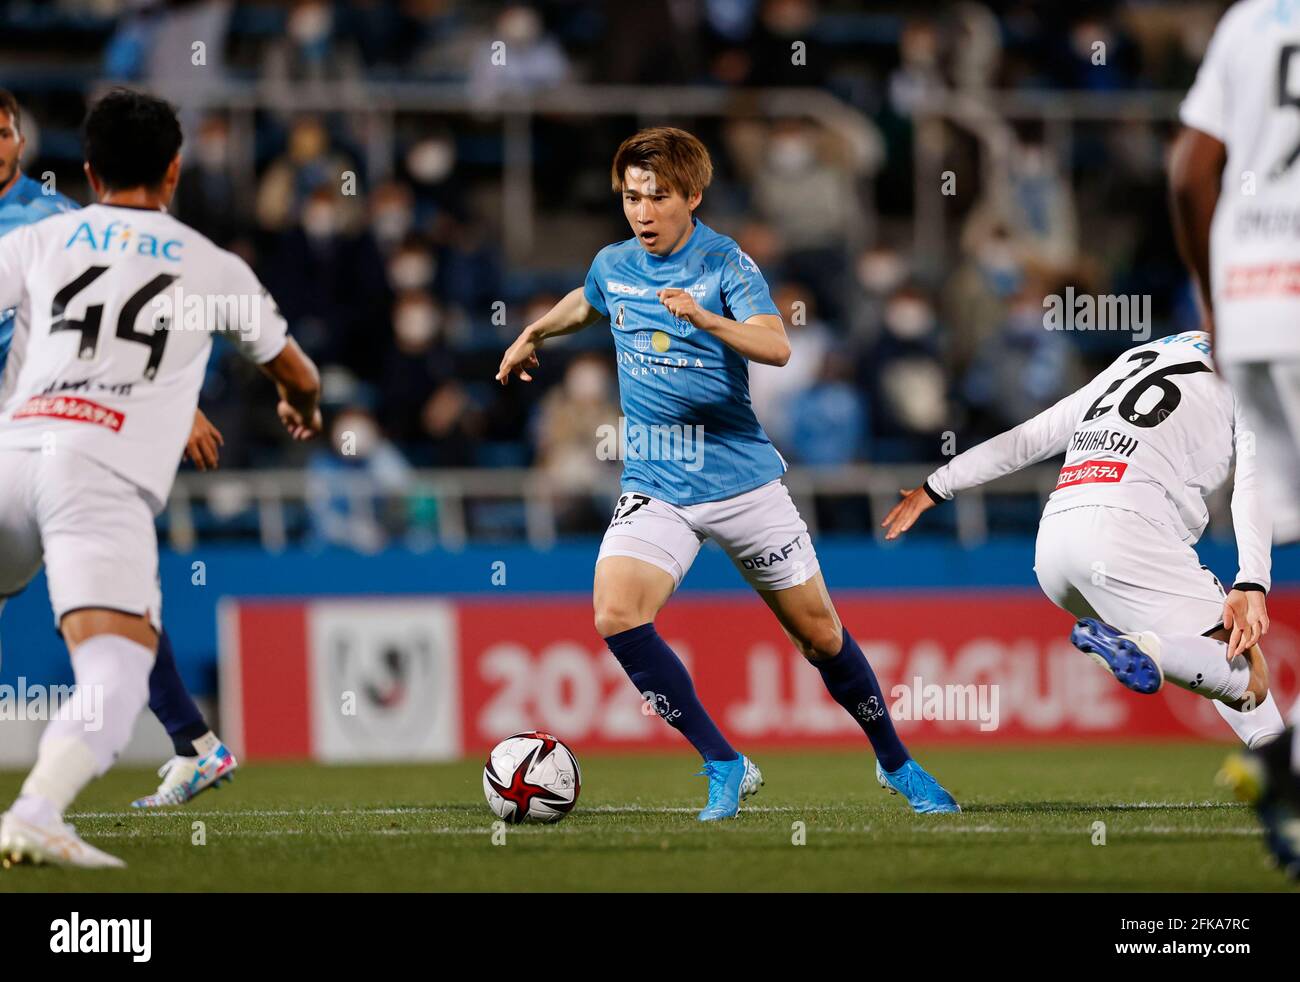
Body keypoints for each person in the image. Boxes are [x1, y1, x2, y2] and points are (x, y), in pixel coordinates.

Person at [498, 127, 958, 820]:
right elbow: (589, 299)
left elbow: (775, 345)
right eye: (630, 197)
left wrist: (707, 319)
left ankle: (895, 762)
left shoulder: (727, 264)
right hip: (657, 484)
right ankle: (723, 761)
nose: (642, 212)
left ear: (693, 196)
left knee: (820, 637)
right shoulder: (615, 262)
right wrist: (536, 332)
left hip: (743, 484)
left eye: (657, 198)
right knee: (616, 613)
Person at [0, 88, 321, 868]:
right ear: (175, 170)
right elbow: (294, 368)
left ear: (85, 169)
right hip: (95, 471)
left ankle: (197, 743)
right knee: (114, 663)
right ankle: (38, 810)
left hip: (11, 452)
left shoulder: (40, 239)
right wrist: (300, 403)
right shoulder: (213, 265)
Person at [0, 88, 242, 811]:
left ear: (19, 140)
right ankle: (198, 746)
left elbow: (130, 303)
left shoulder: (56, 221)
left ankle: (196, 747)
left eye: (2, 130)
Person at [882, 331, 1285, 749]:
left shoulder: (1139, 358)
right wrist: (1253, 579)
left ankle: (1279, 773)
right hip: (1127, 531)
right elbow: (1255, 481)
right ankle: (1141, 648)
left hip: (1056, 544)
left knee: (1220, 655)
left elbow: (1028, 438)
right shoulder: (1253, 366)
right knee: (1248, 674)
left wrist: (937, 485)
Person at [1167, 0, 1300, 875]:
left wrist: (1214, 295)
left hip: (1252, 306)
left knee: (1259, 463)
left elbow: (1188, 171)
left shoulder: (1250, 22)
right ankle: (1284, 766)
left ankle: (1284, 775)